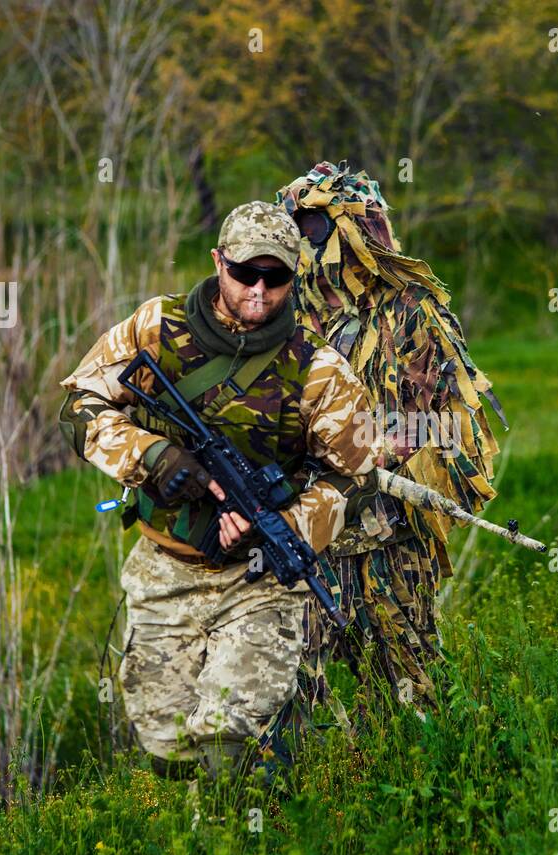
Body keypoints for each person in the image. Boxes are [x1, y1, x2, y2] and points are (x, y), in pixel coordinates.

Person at [57, 200, 376, 779]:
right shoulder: (157, 327)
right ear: (218, 262)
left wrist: (285, 526)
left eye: (275, 277)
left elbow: (355, 477)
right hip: (164, 569)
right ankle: (194, 840)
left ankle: (254, 833)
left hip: (258, 580)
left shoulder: (319, 370)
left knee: (229, 741)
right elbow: (80, 406)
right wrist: (152, 457)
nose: (259, 289)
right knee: (167, 750)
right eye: (244, 273)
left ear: (293, 277)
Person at [274, 160, 503, 718]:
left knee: (410, 689)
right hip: (309, 534)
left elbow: (459, 422)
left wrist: (377, 445)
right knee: (290, 688)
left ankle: (425, 785)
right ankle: (309, 794)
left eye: (311, 227)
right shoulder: (286, 317)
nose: (301, 243)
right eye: (293, 228)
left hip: (391, 538)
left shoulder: (411, 312)